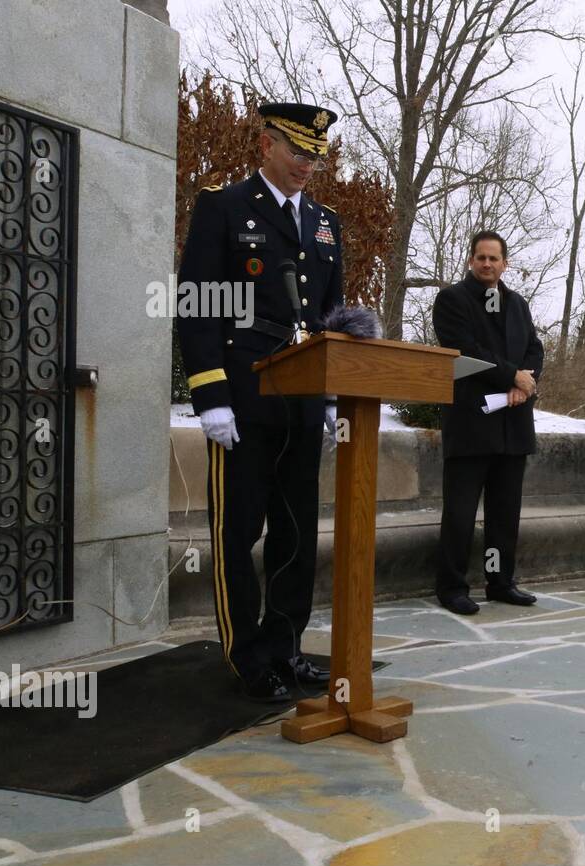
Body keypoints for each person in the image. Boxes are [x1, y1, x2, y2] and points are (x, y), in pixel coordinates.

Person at [176, 101, 344, 702]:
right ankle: (246, 656)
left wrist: (328, 396)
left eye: (316, 157)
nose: (306, 165)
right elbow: (196, 304)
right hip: (243, 402)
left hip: (301, 404)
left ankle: (285, 646)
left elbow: (329, 319)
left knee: (295, 534)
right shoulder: (223, 206)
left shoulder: (325, 224)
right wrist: (211, 394)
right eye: (297, 151)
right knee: (240, 530)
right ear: (266, 144)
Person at [432, 232, 543, 614]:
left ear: (504, 263)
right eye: (480, 257)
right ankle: (451, 587)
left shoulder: (517, 304)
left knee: (503, 515)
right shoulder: (452, 300)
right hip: (471, 424)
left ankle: (499, 581)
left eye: (494, 258)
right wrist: (513, 376)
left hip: (513, 425)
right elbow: (465, 350)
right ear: (470, 261)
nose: (487, 264)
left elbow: (534, 348)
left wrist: (525, 385)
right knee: (461, 514)